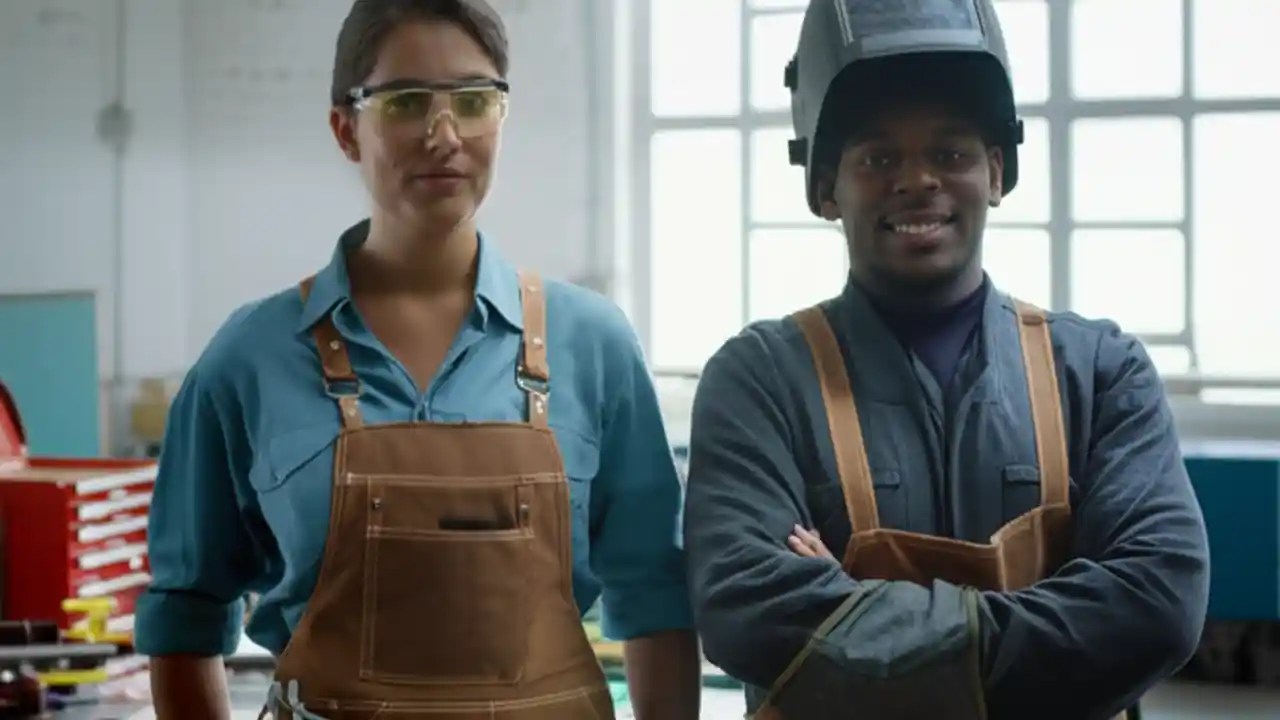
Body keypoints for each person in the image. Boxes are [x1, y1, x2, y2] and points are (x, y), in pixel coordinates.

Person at [135, 1, 702, 718]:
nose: (445, 134)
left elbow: (655, 598)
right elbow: (184, 615)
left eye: (474, 101)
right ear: (347, 129)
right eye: (406, 102)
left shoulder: (592, 346)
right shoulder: (249, 360)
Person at [682, 1, 1210, 719]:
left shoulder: (1098, 372)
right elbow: (744, 613)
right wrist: (1052, 622)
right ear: (823, 188)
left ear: (996, 172)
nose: (917, 180)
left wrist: (851, 617)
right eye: (877, 158)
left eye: (951, 153)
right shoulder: (761, 382)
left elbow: (1156, 605)